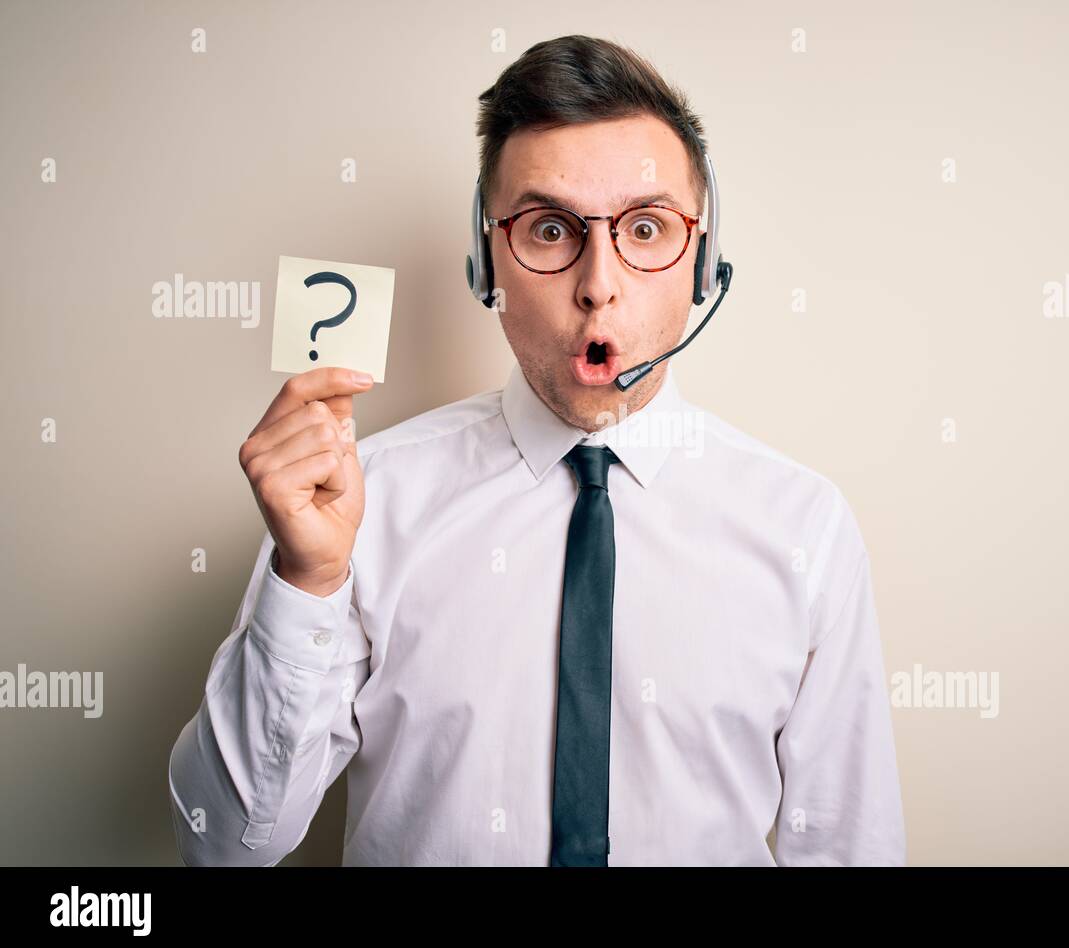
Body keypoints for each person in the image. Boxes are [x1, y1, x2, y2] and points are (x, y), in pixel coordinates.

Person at [167, 34, 905, 866]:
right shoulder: (361, 501)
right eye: (551, 229)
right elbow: (224, 846)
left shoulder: (805, 526)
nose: (599, 281)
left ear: (701, 264)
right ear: (489, 264)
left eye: (648, 227)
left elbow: (851, 848)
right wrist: (306, 583)